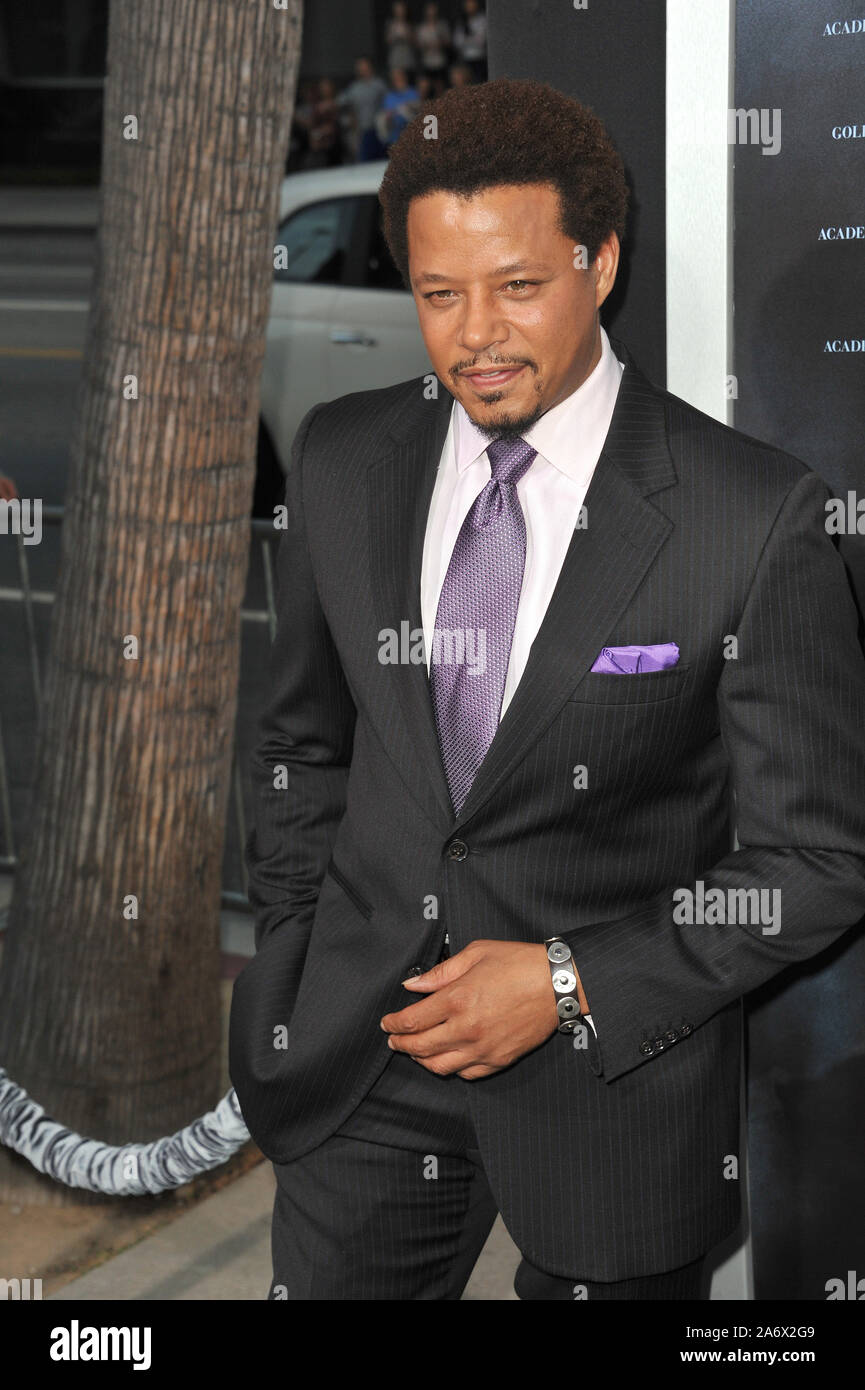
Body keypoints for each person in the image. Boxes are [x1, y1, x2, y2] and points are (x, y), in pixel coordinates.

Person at [229, 78, 865, 1301]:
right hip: (362, 1064)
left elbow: (818, 858)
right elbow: (301, 747)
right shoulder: (346, 458)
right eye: (437, 294)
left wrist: (569, 980)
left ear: (601, 261)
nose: (477, 335)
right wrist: (299, 959)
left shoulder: (748, 514)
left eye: (518, 285)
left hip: (610, 1097)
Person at [336, 56, 387, 162]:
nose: (362, 70)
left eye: (364, 67)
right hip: (363, 131)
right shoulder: (355, 88)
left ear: (370, 67)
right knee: (365, 162)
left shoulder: (379, 85)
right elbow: (340, 101)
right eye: (360, 68)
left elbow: (387, 102)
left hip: (379, 130)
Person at [415, 2, 451, 96]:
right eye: (429, 11)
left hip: (440, 61)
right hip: (427, 62)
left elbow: (448, 42)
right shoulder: (422, 28)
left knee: (440, 87)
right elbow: (418, 45)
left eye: (433, 11)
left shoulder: (442, 25)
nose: (431, 13)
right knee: (425, 87)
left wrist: (440, 43)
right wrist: (426, 45)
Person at [379, 68, 420, 149]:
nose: (398, 80)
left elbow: (418, 110)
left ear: (405, 77)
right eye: (395, 78)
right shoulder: (389, 97)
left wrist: (406, 108)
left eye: (399, 77)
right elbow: (387, 114)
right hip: (396, 138)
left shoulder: (413, 93)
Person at [453, 0, 487, 83]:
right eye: (468, 5)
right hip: (466, 58)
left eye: (472, 5)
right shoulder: (461, 21)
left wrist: (467, 40)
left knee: (479, 82)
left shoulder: (482, 19)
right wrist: (472, 39)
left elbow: (481, 40)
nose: (470, 7)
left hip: (479, 57)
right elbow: (457, 42)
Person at [384, 1, 417, 82]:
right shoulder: (390, 23)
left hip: (407, 57)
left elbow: (415, 41)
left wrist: (407, 35)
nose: (400, 12)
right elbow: (387, 41)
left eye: (401, 9)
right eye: (397, 9)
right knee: (397, 82)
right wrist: (395, 36)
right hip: (395, 57)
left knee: (409, 81)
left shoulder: (410, 23)